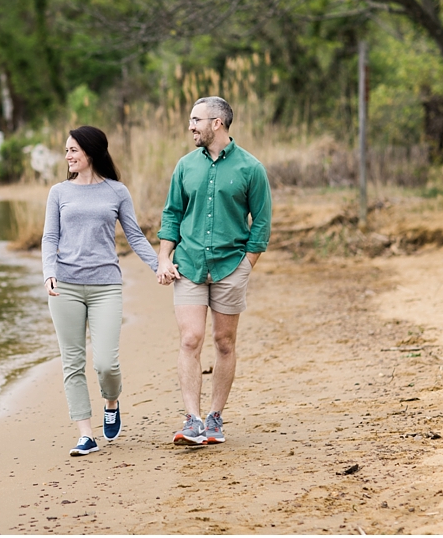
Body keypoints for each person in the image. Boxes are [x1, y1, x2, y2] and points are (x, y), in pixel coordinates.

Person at [156, 96, 272, 446]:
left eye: (196, 120)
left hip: (230, 267)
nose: (191, 126)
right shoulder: (185, 166)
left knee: (224, 342)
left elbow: (261, 223)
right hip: (189, 265)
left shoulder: (251, 168)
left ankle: (215, 417)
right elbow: (172, 214)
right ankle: (192, 419)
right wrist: (164, 258)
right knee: (190, 339)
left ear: (217, 123)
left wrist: (246, 266)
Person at [42, 125, 159, 456]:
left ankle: (111, 402)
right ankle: (85, 435)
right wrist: (49, 272)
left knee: (106, 363)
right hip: (65, 286)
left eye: (73, 150)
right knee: (73, 362)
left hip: (105, 286)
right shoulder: (59, 192)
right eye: (66, 150)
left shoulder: (116, 191)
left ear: (90, 152)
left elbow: (134, 235)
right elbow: (50, 237)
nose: (67, 156)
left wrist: (158, 265)